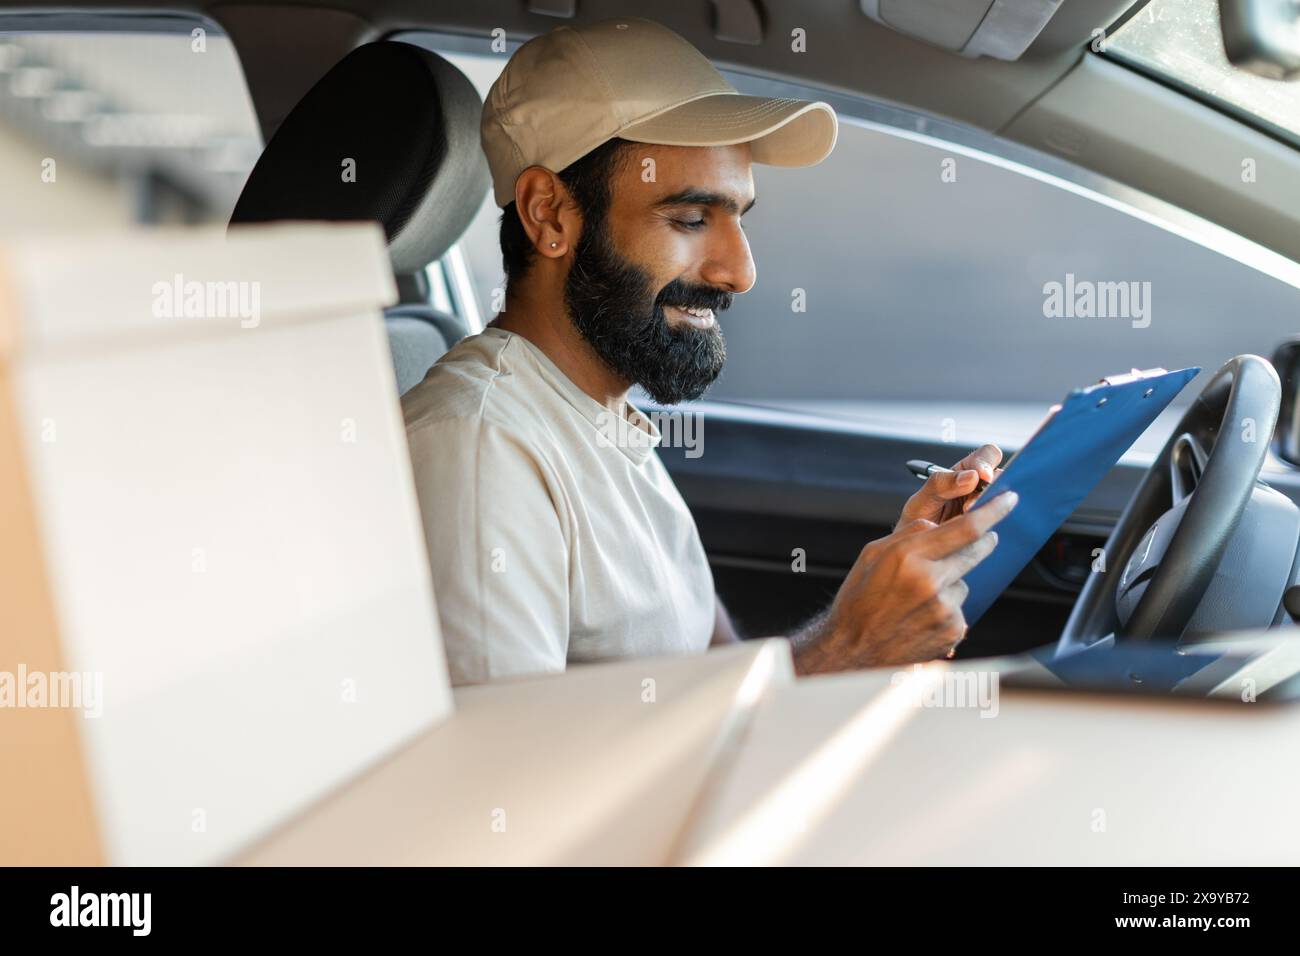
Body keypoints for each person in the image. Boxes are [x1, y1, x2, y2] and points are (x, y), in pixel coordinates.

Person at [403, 17, 1015, 685]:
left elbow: (713, 672)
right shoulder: (478, 444)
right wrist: (848, 644)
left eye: (738, 218)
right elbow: (505, 751)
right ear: (548, 214)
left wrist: (888, 595)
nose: (741, 273)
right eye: (691, 219)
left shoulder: (601, 415)